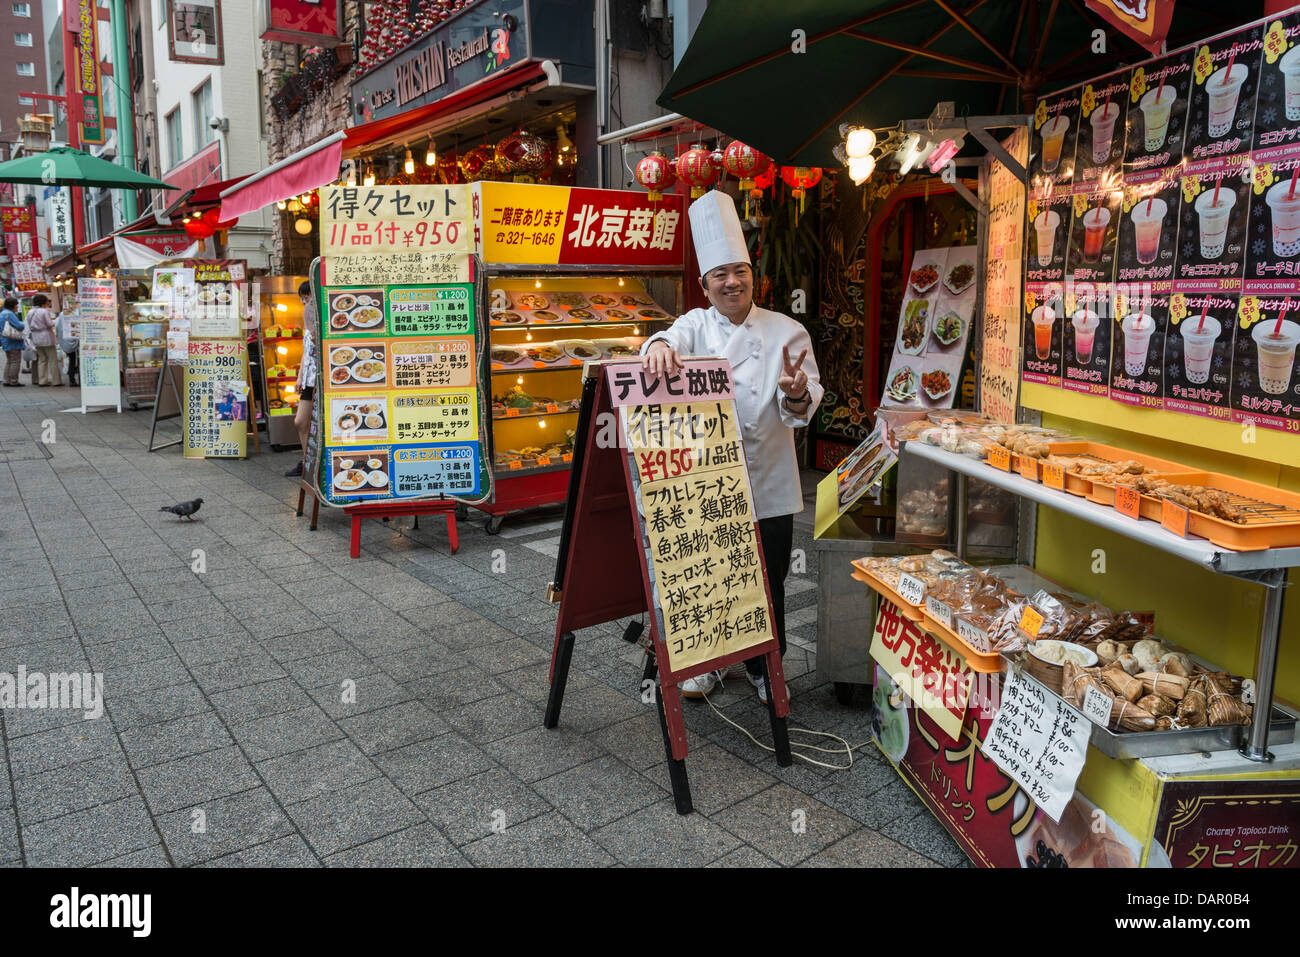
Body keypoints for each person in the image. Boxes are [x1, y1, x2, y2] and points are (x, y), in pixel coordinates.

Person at [640, 190, 822, 704]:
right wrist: (655, 348)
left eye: (739, 271)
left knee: (770, 581)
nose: (731, 282)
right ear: (704, 285)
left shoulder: (788, 330)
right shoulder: (694, 325)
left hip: (769, 481)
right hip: (707, 481)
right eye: (719, 274)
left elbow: (803, 409)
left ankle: (767, 668)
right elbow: (663, 340)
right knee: (712, 574)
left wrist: (796, 393)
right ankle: (708, 663)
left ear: (752, 276)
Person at [285, 280, 318, 478]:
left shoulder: (321, 319)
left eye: (307, 298)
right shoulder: (309, 322)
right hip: (309, 379)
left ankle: (312, 463)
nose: (304, 303)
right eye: (302, 299)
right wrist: (299, 377)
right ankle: (308, 461)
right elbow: (306, 352)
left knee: (307, 422)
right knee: (301, 422)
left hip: (320, 381)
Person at [26, 294, 59, 387]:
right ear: (44, 302)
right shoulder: (44, 311)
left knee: (42, 360)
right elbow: (49, 324)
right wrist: (56, 320)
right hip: (46, 336)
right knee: (53, 360)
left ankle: (42, 381)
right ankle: (56, 381)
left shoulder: (30, 312)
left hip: (36, 337)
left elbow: (29, 324)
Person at [1, 297, 25, 387]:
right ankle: (13, 381)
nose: (17, 307)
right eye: (16, 305)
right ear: (13, 306)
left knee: (9, 361)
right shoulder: (9, 314)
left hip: (5, 340)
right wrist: (25, 324)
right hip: (12, 341)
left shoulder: (3, 313)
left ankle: (6, 380)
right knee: (15, 361)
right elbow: (18, 325)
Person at [56, 306, 79, 386]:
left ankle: (72, 379)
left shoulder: (62, 314)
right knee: (74, 360)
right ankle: (72, 380)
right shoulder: (77, 313)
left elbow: (57, 327)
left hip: (65, 340)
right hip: (75, 339)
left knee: (72, 360)